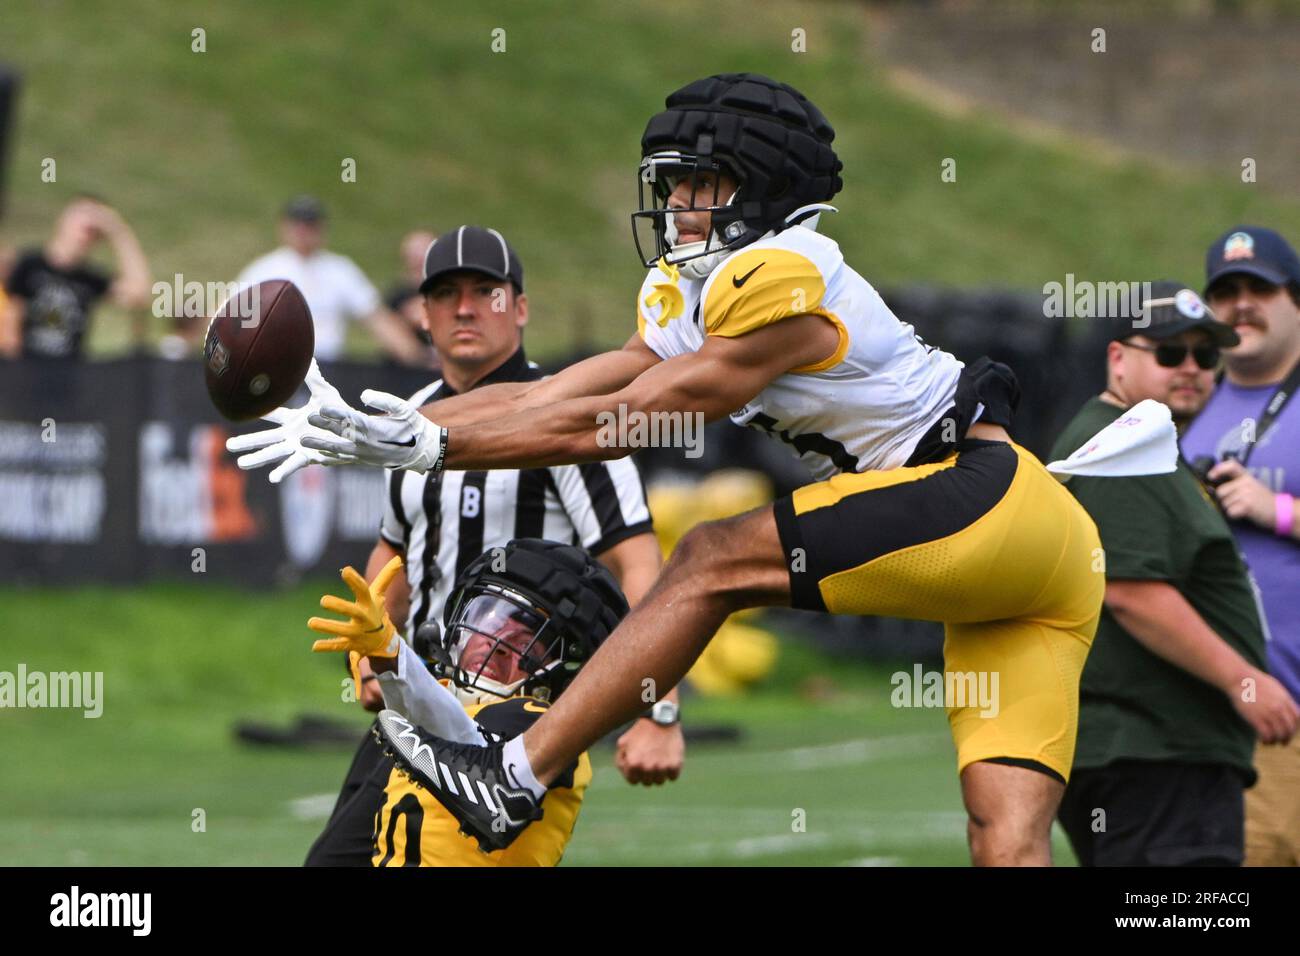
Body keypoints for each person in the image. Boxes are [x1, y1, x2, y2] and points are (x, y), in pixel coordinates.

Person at [232, 73, 1108, 866]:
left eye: (702, 183)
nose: (680, 203)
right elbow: (572, 388)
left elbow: (624, 420)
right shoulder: (698, 286)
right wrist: (390, 422)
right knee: (1007, 839)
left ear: (762, 190)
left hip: (980, 500)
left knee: (710, 560)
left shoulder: (783, 276)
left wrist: (435, 447)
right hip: (1040, 559)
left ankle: (513, 775)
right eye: (674, 182)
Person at [292, 225, 675, 867]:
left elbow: (635, 561)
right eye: (444, 294)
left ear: (520, 308)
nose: (464, 308)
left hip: (513, 719)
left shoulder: (570, 417)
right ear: (421, 314)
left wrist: (656, 709)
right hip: (417, 701)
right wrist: (370, 647)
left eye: (484, 292)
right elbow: (396, 551)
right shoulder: (410, 415)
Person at [1050, 282, 1296, 866]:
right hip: (1153, 755)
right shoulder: (1124, 443)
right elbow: (1132, 592)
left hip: (1158, 754)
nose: (1190, 368)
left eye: (1205, 355)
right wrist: (1246, 681)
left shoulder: (1147, 441)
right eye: (1168, 353)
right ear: (1118, 359)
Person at [306, 539, 627, 866]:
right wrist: (388, 661)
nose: (495, 642)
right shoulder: (422, 712)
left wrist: (392, 655)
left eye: (528, 639)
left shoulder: (537, 720)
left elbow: (466, 748)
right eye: (487, 618)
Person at [1182, 226, 1300, 865]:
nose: (1242, 304)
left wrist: (1275, 509)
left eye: (1261, 287)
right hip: (1234, 711)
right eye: (1226, 292)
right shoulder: (1188, 401)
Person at [236, 196, 425, 365]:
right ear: (284, 226)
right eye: (297, 223)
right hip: (279, 368)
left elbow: (376, 317)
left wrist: (416, 357)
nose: (302, 231)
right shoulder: (265, 269)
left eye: (310, 224)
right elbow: (229, 311)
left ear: (321, 228)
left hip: (328, 367)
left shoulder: (339, 270)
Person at [0, 195, 151, 359]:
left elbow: (139, 293)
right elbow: (9, 322)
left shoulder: (89, 278)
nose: (85, 230)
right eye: (81, 216)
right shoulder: (29, 265)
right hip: (26, 369)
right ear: (64, 220)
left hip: (69, 374)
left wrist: (118, 231)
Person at [383, 228, 440, 370]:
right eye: (415, 254)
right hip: (405, 369)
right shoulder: (396, 296)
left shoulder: (449, 293)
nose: (419, 259)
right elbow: (388, 334)